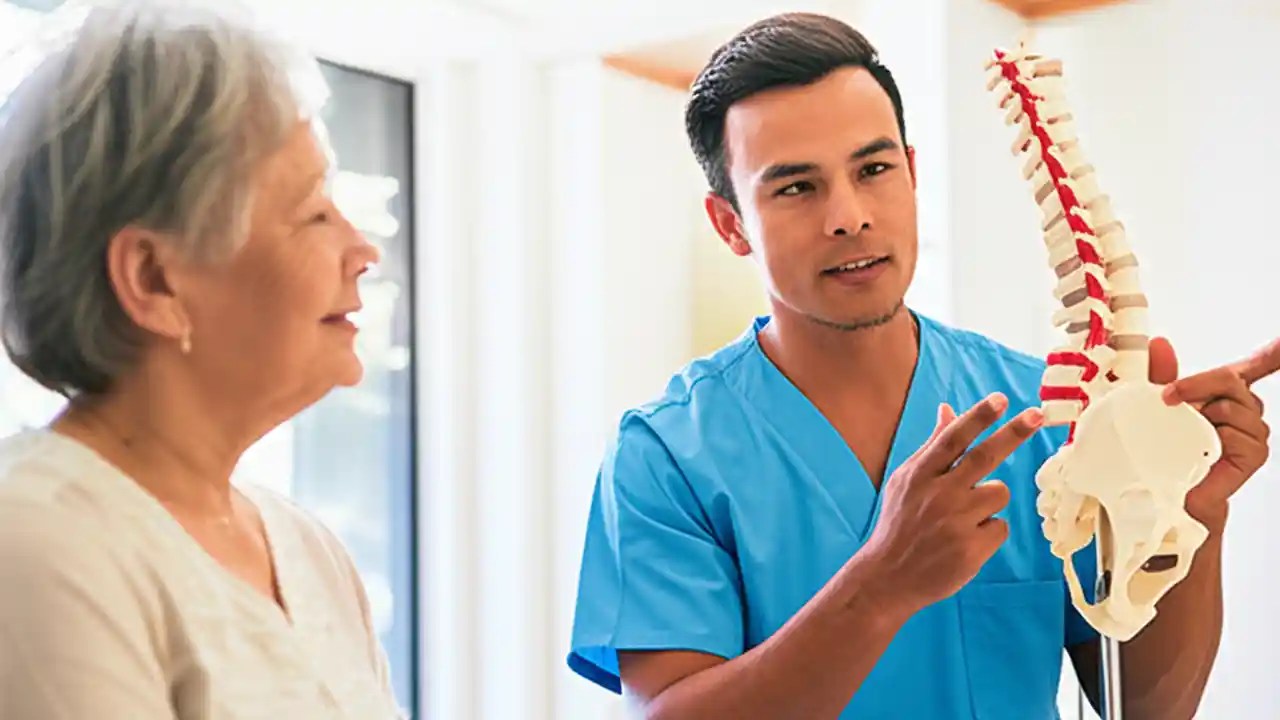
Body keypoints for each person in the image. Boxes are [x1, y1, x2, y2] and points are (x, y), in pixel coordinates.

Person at [566, 12, 1280, 719]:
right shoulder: (665, 459)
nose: (848, 216)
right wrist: (882, 586)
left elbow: (1149, 711)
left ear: (910, 175)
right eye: (795, 187)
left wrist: (1189, 512)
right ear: (729, 224)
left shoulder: (1049, 417)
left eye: (873, 169)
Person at [0, 2, 403, 718]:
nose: (362, 250)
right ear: (154, 279)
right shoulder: (36, 543)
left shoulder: (311, 553)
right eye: (314, 212)